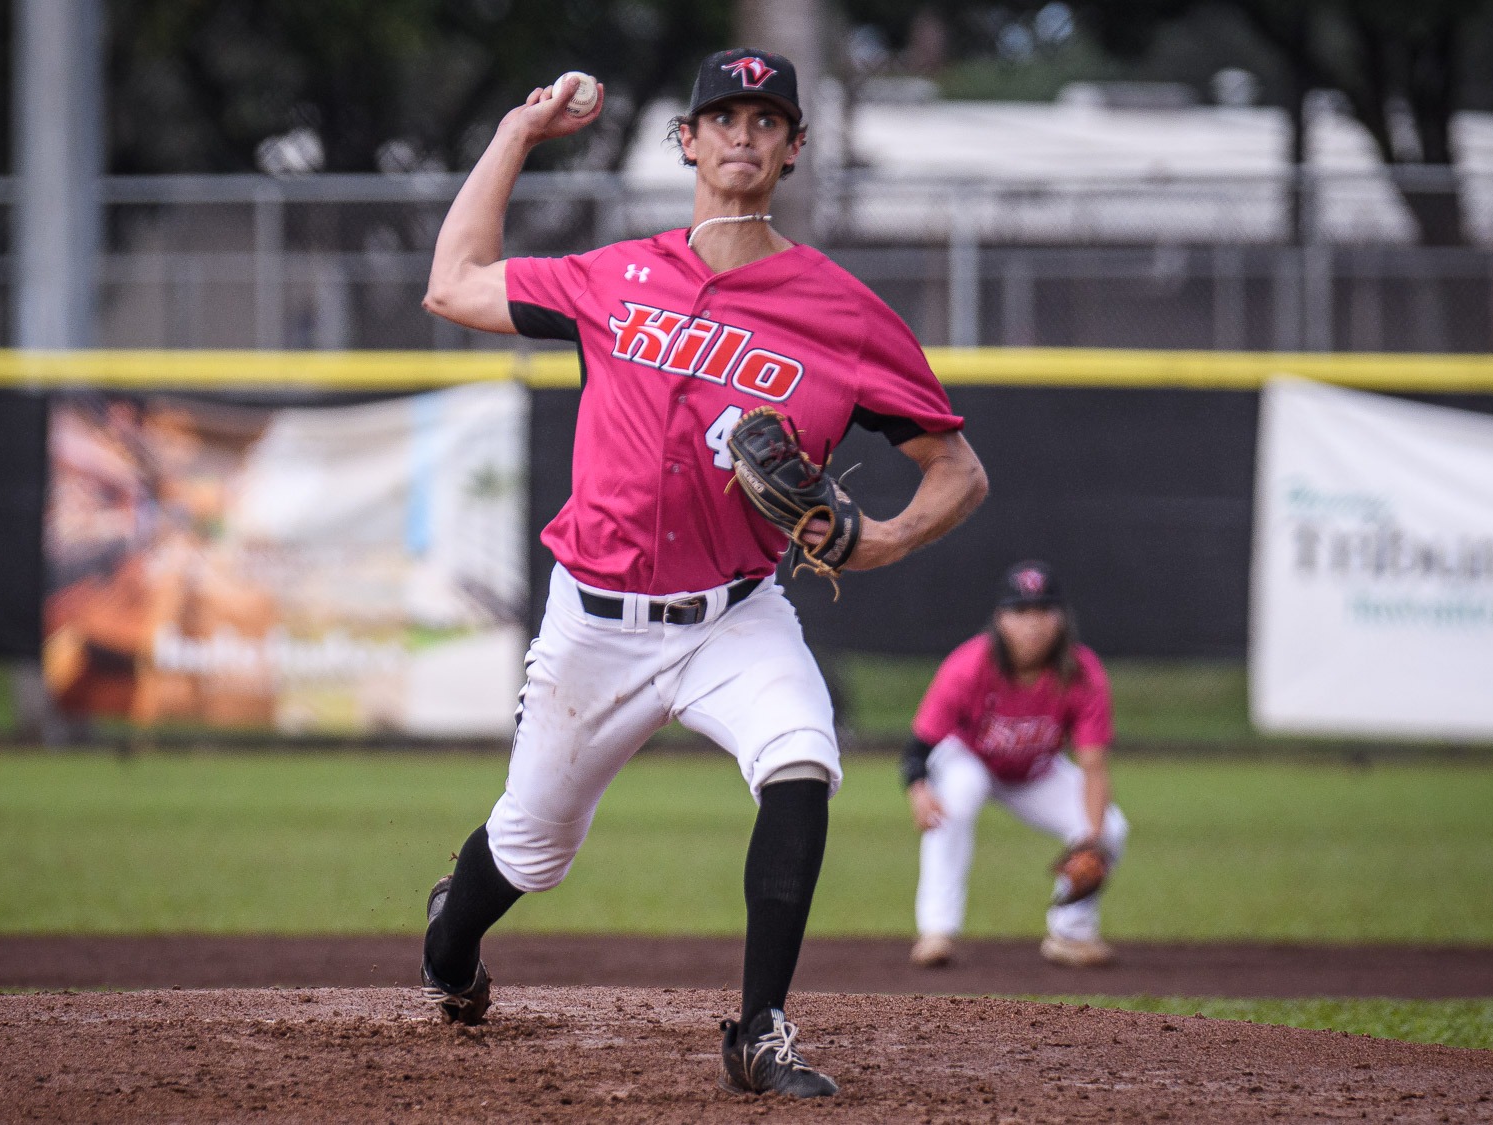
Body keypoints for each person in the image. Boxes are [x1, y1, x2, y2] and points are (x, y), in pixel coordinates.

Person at [416, 48, 989, 1099]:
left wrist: (883, 540)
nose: (742, 134)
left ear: (792, 150)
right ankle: (448, 949)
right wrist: (516, 135)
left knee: (802, 757)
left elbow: (955, 470)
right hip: (594, 621)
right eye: (721, 116)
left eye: (765, 120)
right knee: (530, 847)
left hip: (736, 613)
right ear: (685, 141)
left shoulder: (842, 313)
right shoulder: (610, 275)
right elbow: (451, 284)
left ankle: (758, 1030)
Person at [902, 560, 1128, 969]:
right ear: (1000, 619)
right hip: (968, 759)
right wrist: (919, 790)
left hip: (1034, 771)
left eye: (1044, 611)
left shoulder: (1081, 672)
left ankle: (1071, 933)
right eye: (1020, 612)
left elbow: (1094, 765)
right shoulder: (969, 664)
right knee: (959, 795)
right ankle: (936, 930)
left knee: (1110, 828)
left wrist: (1092, 840)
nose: (1033, 624)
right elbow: (918, 747)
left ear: (1061, 618)